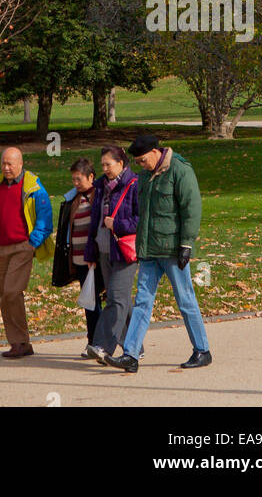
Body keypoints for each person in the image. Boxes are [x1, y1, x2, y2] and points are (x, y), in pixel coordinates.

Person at [107, 133, 212, 372]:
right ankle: (131, 355)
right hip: (150, 250)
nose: (140, 165)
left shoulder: (180, 170)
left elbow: (191, 208)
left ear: (155, 152)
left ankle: (202, 350)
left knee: (185, 299)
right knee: (143, 300)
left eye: (143, 160)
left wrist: (186, 244)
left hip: (173, 250)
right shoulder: (145, 176)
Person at [0, 146, 53, 359]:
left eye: (10, 164)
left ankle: (21, 341)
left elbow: (44, 218)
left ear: (20, 165)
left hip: (22, 247)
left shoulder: (33, 188)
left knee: (13, 292)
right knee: (6, 297)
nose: (6, 168)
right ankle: (19, 343)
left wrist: (33, 243)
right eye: (3, 163)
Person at [83, 145, 140, 364]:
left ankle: (101, 345)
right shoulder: (101, 187)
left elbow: (141, 219)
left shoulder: (135, 185)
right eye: (103, 164)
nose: (105, 168)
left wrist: (118, 224)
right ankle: (135, 346)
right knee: (122, 299)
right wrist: (91, 250)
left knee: (115, 299)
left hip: (125, 251)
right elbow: (95, 222)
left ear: (121, 163)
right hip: (104, 250)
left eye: (109, 164)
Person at [53, 156, 104, 355]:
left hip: (97, 259)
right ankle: (93, 342)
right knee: (90, 303)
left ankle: (118, 343)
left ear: (91, 177)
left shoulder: (98, 196)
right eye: (73, 179)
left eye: (79, 179)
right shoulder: (73, 199)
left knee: (107, 302)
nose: (75, 183)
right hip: (79, 260)